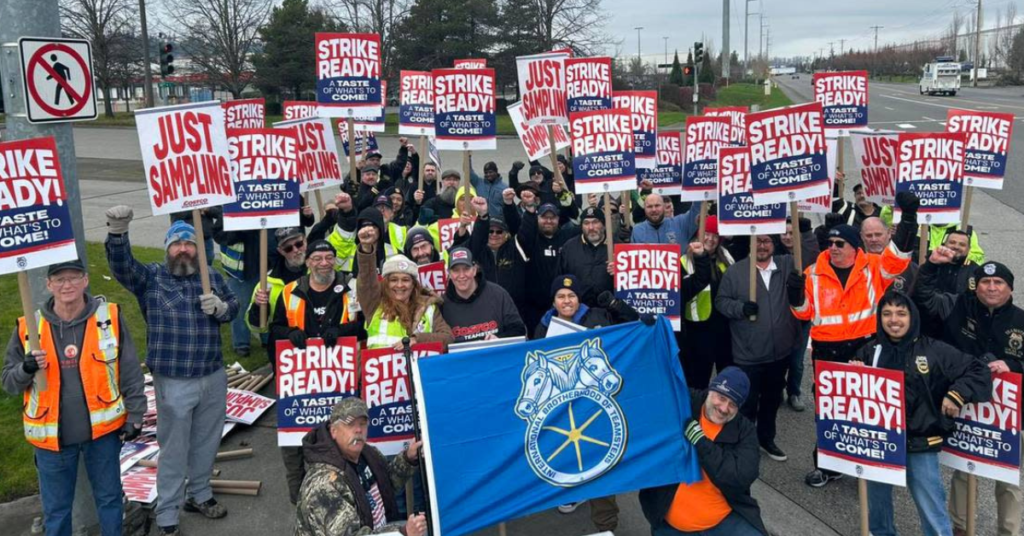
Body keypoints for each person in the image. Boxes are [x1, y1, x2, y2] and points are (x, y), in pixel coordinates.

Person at [105, 209, 238, 535]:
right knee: (174, 450)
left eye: (189, 244)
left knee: (207, 443)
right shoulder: (151, 278)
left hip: (212, 375)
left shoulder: (212, 276)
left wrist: (221, 308)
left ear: (197, 248)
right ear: (167, 249)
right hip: (173, 381)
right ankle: (167, 514)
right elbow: (122, 267)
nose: (183, 249)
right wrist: (118, 231)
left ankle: (200, 494)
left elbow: (234, 305)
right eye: (176, 243)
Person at [2, 260, 146, 536]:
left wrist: (136, 415)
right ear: (48, 285)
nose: (67, 285)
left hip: (104, 435)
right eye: (59, 279)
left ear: (86, 280)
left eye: (73, 277)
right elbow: (8, 382)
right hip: (51, 441)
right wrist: (26, 368)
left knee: (110, 500)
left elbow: (130, 370)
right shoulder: (29, 328)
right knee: (56, 511)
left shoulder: (109, 318)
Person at [789, 191, 919, 488]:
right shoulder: (812, 274)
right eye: (831, 243)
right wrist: (793, 294)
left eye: (840, 243)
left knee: (869, 407)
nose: (833, 248)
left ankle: (874, 461)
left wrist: (908, 217)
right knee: (829, 412)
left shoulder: (874, 267)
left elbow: (899, 257)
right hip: (828, 352)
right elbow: (803, 313)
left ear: (854, 247)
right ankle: (828, 466)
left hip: (866, 347)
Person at [852, 291, 991, 536]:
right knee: (877, 506)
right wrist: (853, 376)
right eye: (887, 314)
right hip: (879, 442)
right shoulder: (868, 352)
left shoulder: (934, 349)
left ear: (912, 317)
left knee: (932, 508)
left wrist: (956, 394)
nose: (894, 320)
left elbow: (977, 370)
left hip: (921, 442)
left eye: (901, 313)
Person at [915, 254, 1024, 536]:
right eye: (985, 281)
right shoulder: (959, 310)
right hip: (965, 405)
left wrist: (1013, 365)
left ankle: (1008, 531)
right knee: (964, 470)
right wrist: (932, 266)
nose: (991, 287)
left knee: (1008, 477)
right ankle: (961, 527)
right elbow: (924, 299)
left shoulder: (1021, 321)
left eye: (998, 282)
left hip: (1007, 413)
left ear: (1010, 288)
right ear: (976, 286)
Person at [536, 276, 650, 532]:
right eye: (561, 297)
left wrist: (618, 305)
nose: (567, 301)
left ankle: (605, 525)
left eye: (572, 296)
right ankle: (575, 492)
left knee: (602, 465)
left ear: (579, 299)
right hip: (565, 409)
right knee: (573, 460)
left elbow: (632, 325)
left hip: (599, 407)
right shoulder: (543, 327)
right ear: (554, 301)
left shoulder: (599, 315)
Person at [262, 240, 365, 504]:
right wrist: (289, 333)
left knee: (341, 438)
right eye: (317, 258)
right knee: (294, 442)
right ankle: (300, 502)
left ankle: (346, 493)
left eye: (329, 257)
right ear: (308, 262)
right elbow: (273, 330)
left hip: (339, 378)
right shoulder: (289, 292)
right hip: (300, 380)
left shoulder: (350, 289)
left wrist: (341, 332)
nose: (324, 263)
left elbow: (363, 327)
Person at [716, 227, 817, 464]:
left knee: (771, 401)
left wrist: (805, 232)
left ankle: (766, 438)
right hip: (748, 353)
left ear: (774, 244)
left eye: (766, 241)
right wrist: (740, 309)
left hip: (780, 352)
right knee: (747, 404)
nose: (762, 246)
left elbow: (810, 255)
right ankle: (743, 442)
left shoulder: (787, 265)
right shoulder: (736, 271)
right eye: (757, 241)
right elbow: (721, 302)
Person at [639, 367, 769, 536]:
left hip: (723, 522)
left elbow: (739, 477)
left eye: (732, 404)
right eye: (721, 397)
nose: (724, 408)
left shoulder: (745, 431)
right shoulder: (684, 401)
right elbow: (648, 393)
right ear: (710, 389)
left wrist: (700, 441)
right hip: (670, 524)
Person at [295, 397, 426, 536]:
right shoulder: (323, 484)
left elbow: (387, 486)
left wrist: (408, 458)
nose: (358, 430)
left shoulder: (368, 454)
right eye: (350, 424)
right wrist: (402, 533)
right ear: (333, 431)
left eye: (362, 424)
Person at [356, 223, 453, 350]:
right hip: (385, 369)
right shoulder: (374, 304)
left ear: (413, 284)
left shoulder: (428, 307)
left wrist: (417, 340)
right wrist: (366, 248)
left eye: (406, 280)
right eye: (394, 280)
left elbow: (448, 338)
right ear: (386, 283)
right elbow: (366, 278)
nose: (400, 285)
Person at [679, 216, 736, 390]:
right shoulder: (684, 261)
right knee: (698, 379)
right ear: (698, 235)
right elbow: (683, 292)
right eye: (707, 234)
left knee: (726, 375)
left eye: (715, 235)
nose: (711, 239)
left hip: (724, 326)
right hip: (698, 328)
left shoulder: (726, 258)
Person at [517, 198, 580, 332]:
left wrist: (564, 196)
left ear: (558, 219)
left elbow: (582, 222)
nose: (549, 221)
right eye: (544, 217)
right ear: (538, 218)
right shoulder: (531, 239)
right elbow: (523, 234)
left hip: (562, 305)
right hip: (534, 307)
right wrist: (529, 212)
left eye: (553, 218)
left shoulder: (567, 237)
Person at [463, 195, 530, 317]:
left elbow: (522, 228)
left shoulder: (517, 248)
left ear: (506, 234)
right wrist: (482, 215)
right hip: (485, 310)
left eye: (499, 231)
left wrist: (509, 204)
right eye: (490, 231)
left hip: (516, 310)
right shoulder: (478, 250)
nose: (494, 234)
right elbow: (477, 237)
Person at [440, 247, 527, 342]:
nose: (461, 275)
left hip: (495, 354)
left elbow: (519, 329)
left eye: (466, 269)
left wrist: (499, 339)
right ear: (449, 273)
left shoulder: (498, 294)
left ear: (474, 270)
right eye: (456, 270)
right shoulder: (442, 304)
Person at [246, 227, 309, 355]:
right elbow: (257, 327)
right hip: (285, 350)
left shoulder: (322, 271)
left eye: (298, 244)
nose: (296, 250)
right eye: (288, 248)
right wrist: (258, 307)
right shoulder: (267, 283)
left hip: (322, 347)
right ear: (280, 251)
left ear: (305, 241)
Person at [557, 206, 615, 307]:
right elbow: (560, 279)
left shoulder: (616, 247)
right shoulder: (569, 248)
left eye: (595, 222)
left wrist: (621, 271)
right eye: (586, 223)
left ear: (604, 225)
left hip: (611, 311)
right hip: (578, 311)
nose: (591, 227)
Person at [631, 192, 701, 246]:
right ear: (644, 209)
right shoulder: (637, 231)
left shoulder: (680, 223)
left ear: (663, 207)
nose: (654, 209)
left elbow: (696, 211)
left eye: (657, 205)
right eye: (649, 206)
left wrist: (700, 190)